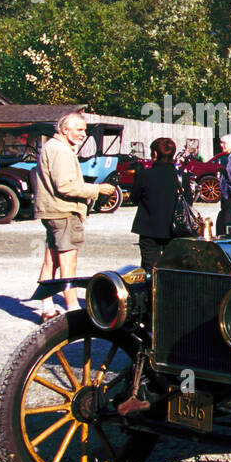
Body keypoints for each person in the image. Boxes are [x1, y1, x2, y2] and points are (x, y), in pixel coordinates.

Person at [33, 113, 118, 319]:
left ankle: (47, 308)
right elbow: (65, 187)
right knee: (67, 262)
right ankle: (72, 311)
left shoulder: (52, 146)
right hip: (63, 211)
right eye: (79, 129)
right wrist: (97, 190)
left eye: (84, 130)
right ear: (65, 130)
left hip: (53, 210)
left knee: (51, 260)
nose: (83, 134)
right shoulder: (60, 150)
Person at [130, 136, 187, 271]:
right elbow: (188, 202)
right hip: (174, 229)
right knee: (173, 268)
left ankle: (151, 291)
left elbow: (134, 198)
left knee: (150, 268)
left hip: (149, 229)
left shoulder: (145, 175)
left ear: (154, 153)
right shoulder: (181, 177)